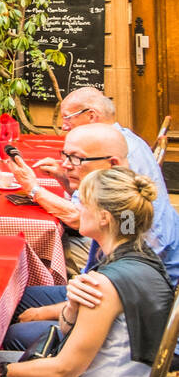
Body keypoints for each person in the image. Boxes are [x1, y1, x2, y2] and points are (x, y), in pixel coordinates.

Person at [0, 166, 174, 377]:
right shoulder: (139, 254)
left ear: (104, 218)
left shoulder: (104, 284)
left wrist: (1, 371)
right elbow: (69, 331)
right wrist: (71, 306)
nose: (78, 209)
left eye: (84, 203)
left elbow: (64, 370)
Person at [4, 123, 178, 347]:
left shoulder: (128, 227)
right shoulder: (122, 193)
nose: (66, 165)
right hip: (113, 296)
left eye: (76, 158)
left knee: (17, 333)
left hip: (129, 324)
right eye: (65, 156)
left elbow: (111, 296)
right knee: (16, 298)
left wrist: (45, 313)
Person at [31, 86, 178, 282]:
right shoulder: (122, 139)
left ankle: (55, 298)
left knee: (41, 246)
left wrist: (34, 189)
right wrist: (64, 177)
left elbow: (79, 218)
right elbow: (102, 204)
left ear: (91, 116)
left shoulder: (111, 157)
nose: (64, 126)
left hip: (145, 263)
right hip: (155, 249)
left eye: (67, 117)